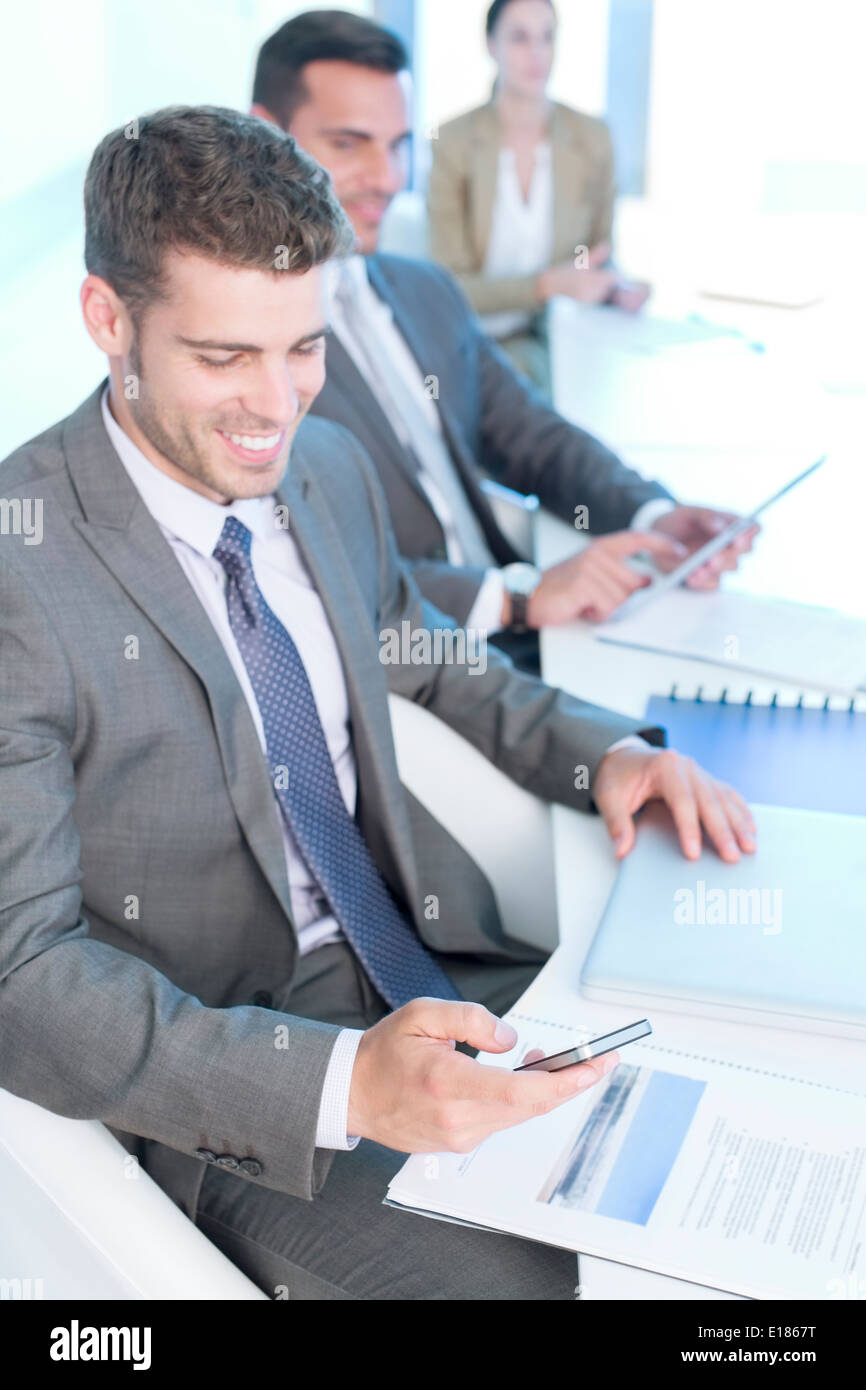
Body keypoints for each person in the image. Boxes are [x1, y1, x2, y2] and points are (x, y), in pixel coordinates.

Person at [0, 107, 755, 1301]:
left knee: (728, 1123)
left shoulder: (327, 467)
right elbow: (21, 973)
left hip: (436, 971)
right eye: (221, 357)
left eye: (300, 348)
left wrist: (599, 755)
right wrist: (344, 1084)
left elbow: (429, 655)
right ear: (108, 320)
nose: (274, 405)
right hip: (242, 1093)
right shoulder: (19, 568)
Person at [251, 9, 756, 675]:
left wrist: (652, 513)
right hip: (428, 665)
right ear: (264, 136)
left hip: (529, 629)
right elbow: (304, 570)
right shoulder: (249, 350)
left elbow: (531, 435)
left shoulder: (420, 290)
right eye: (350, 144)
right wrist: (517, 598)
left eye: (399, 144)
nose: (388, 177)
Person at [427, 0, 650, 395]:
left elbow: (596, 253)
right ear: (491, 45)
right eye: (520, 38)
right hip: (474, 337)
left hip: (560, 335)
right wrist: (547, 285)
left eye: (547, 37)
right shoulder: (454, 142)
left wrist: (614, 287)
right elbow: (450, 290)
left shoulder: (592, 139)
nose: (537, 53)